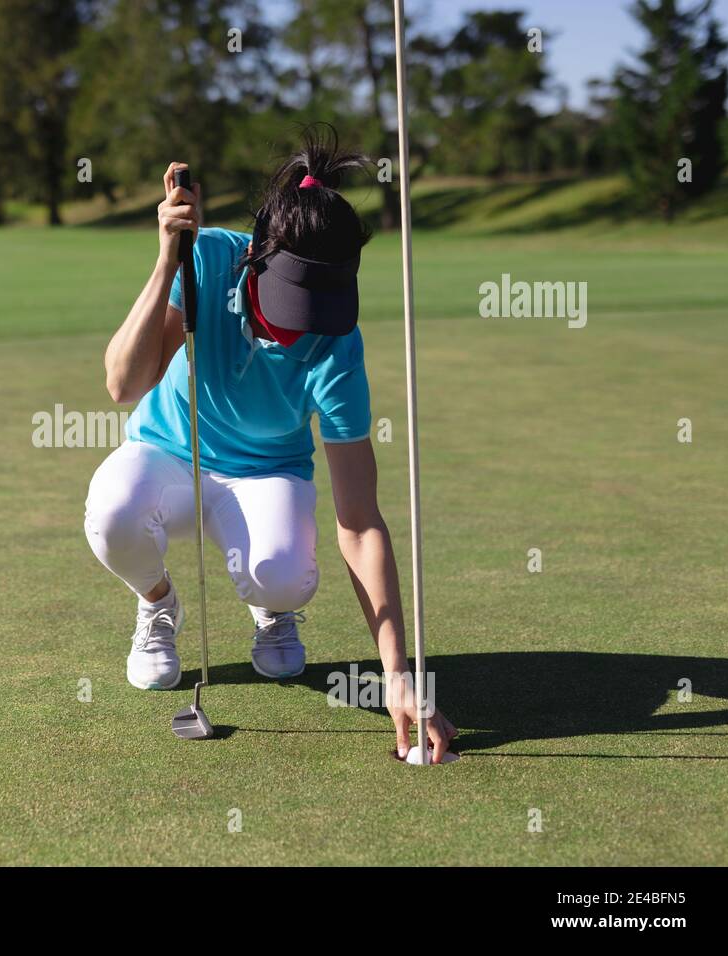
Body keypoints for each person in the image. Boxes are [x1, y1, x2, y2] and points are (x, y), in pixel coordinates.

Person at [83, 124, 457, 761]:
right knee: (114, 513)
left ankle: (272, 612)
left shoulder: (338, 343)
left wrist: (397, 672)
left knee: (279, 576)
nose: (298, 333)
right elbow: (124, 384)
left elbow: (360, 521)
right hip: (172, 452)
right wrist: (168, 260)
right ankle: (158, 605)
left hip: (268, 472)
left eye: (318, 309)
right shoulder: (208, 260)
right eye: (288, 305)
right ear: (256, 257)